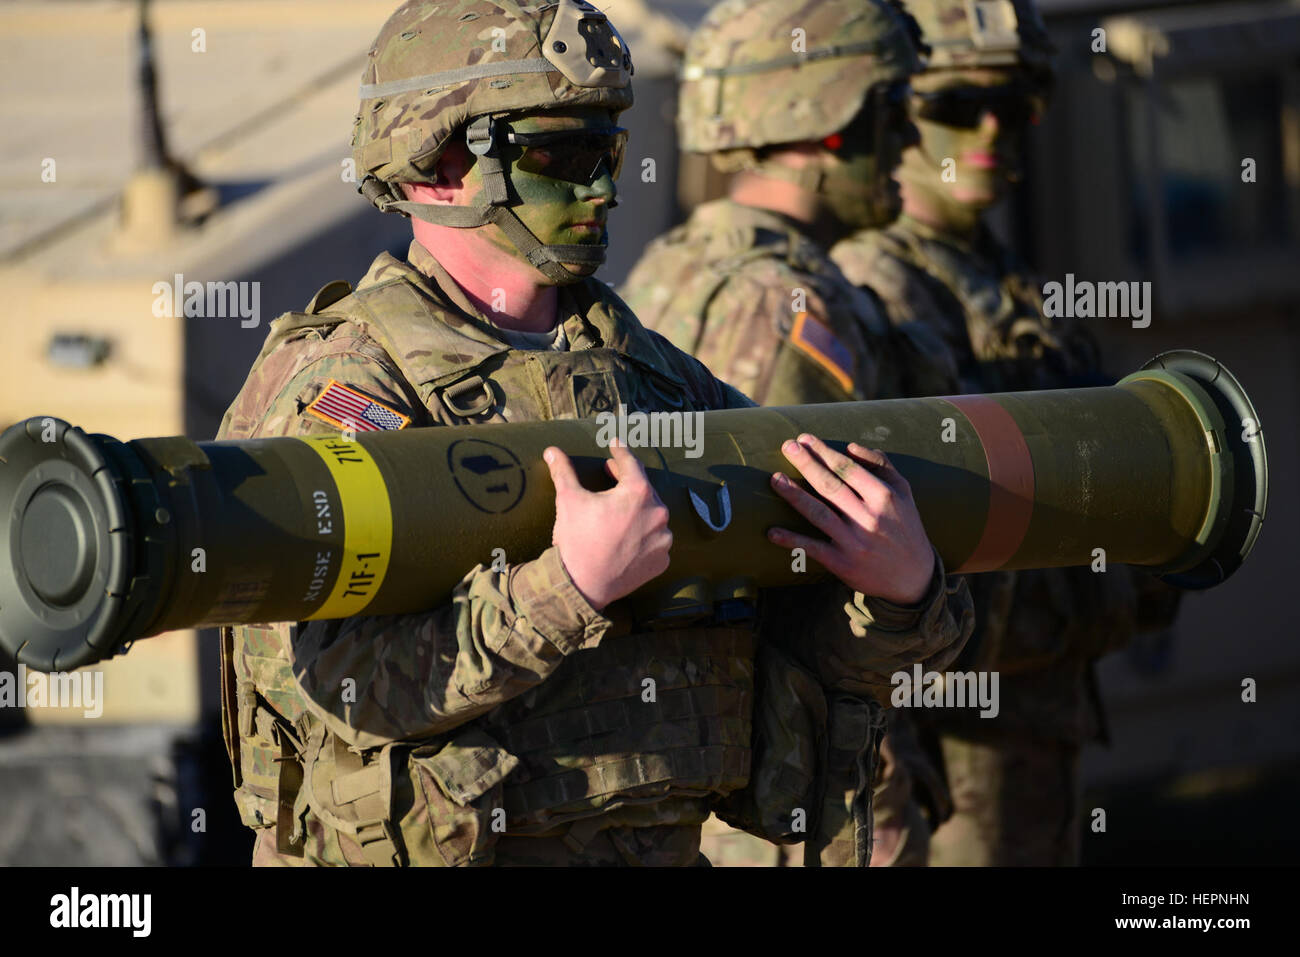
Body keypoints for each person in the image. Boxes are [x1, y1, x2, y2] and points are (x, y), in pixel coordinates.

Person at [215, 0, 973, 867]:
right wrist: (563, 592)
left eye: (607, 152)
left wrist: (899, 597)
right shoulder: (351, 389)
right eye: (562, 156)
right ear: (438, 165)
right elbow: (332, 684)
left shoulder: (655, 376)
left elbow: (784, 657)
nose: (604, 188)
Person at [830, 0, 1181, 865]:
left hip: (1042, 716)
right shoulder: (867, 289)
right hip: (951, 745)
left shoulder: (1005, 280)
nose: (990, 129)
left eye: (1015, 106)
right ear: (897, 114)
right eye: (956, 106)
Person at [621, 0, 958, 866]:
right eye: (894, 113)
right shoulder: (785, 303)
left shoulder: (677, 261)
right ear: (833, 123)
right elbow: (793, 570)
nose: (909, 147)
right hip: (802, 783)